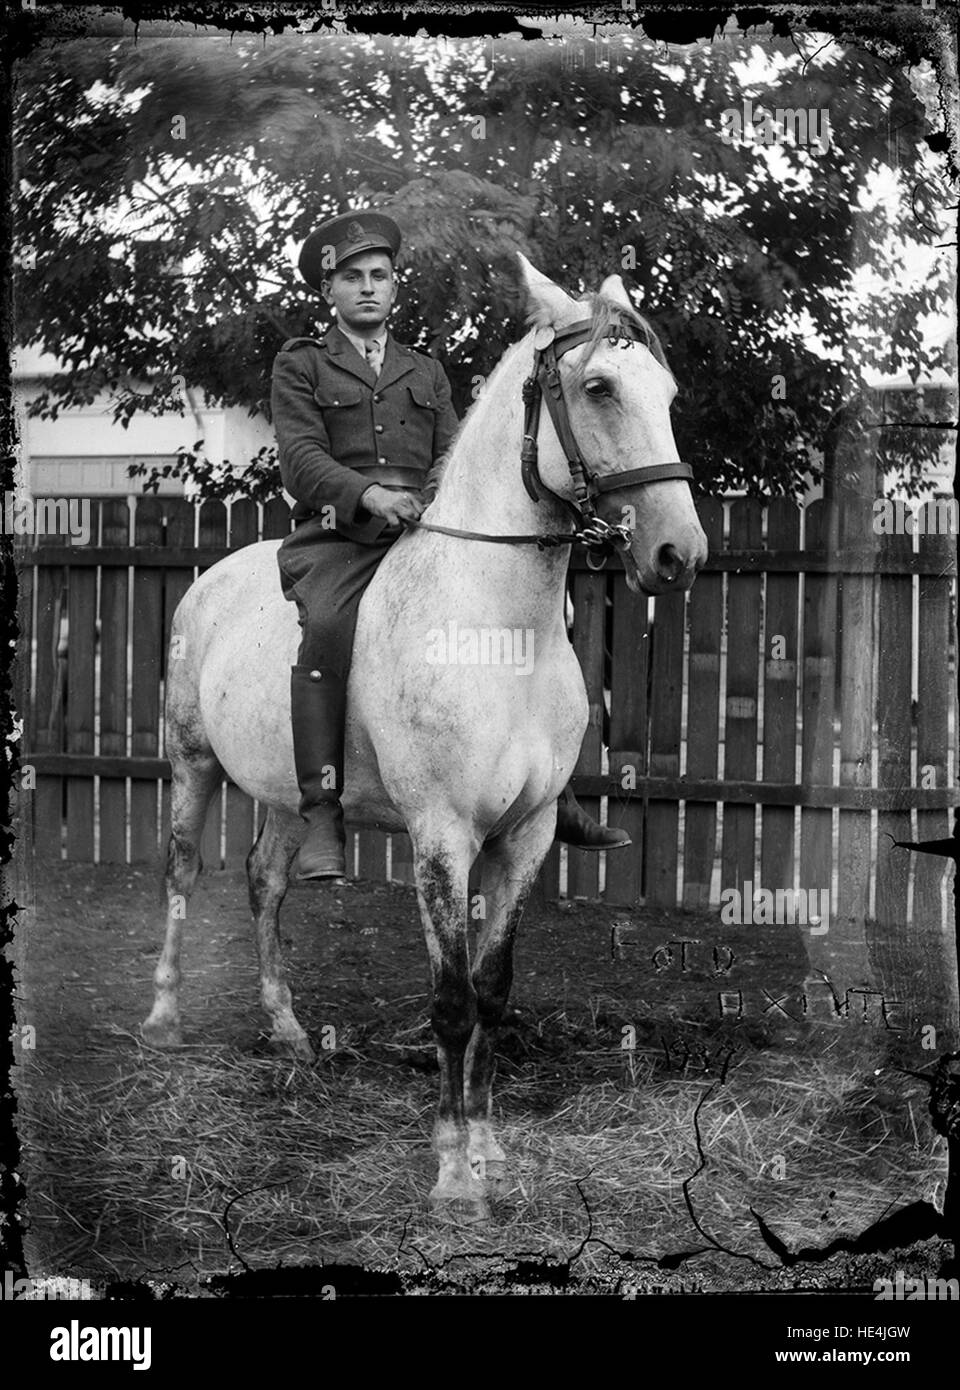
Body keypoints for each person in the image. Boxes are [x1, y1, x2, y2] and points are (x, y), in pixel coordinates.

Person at [272, 210, 630, 880]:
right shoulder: (302, 364)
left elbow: (451, 458)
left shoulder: (425, 370)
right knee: (324, 628)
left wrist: (435, 505)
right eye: (352, 278)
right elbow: (299, 459)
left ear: (396, 288)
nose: (368, 287)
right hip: (337, 539)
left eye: (379, 275)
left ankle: (557, 785)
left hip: (426, 531)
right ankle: (321, 810)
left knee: (549, 616)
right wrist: (368, 496)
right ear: (330, 292)